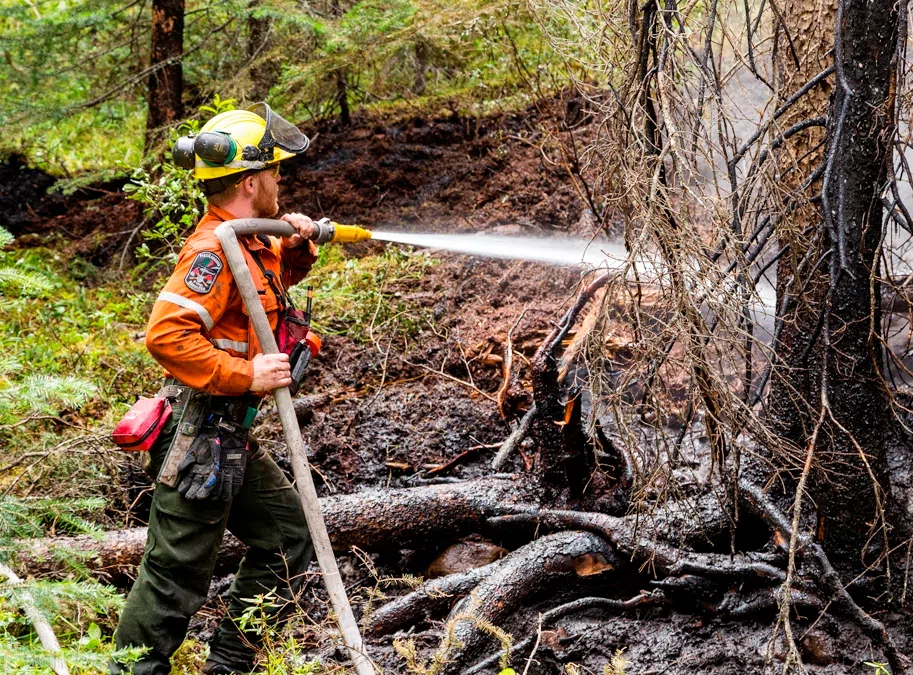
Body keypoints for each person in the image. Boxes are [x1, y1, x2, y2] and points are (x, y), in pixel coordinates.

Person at [112, 104, 319, 675]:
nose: (281, 182)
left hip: (230, 433)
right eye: (275, 173)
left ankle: (229, 665)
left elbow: (264, 288)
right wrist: (245, 375)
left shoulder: (248, 242)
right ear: (252, 182)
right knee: (174, 576)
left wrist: (297, 246)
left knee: (285, 535)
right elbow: (166, 335)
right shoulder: (211, 251)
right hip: (200, 431)